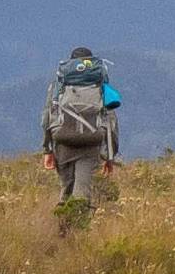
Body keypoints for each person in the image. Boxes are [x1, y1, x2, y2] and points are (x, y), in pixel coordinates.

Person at [41, 46, 118, 217]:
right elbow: (111, 122)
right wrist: (110, 155)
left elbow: (47, 118)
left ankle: (63, 230)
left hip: (63, 141)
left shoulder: (58, 85)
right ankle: (78, 228)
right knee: (82, 189)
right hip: (91, 143)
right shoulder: (101, 86)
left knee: (66, 186)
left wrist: (48, 149)